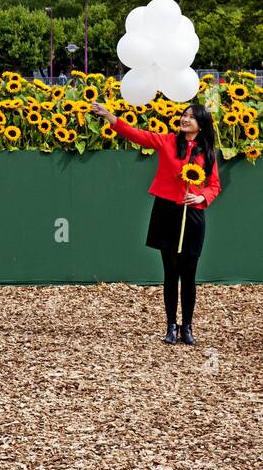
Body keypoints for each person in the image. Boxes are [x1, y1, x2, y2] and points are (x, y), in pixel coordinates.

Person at [90, 101, 222, 345]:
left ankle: (188, 327)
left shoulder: (208, 153)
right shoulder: (167, 141)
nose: (185, 119)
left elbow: (214, 185)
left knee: (189, 275)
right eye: (184, 115)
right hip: (166, 212)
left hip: (192, 216)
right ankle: (171, 326)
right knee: (170, 273)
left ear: (201, 125)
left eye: (191, 117)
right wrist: (110, 116)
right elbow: (136, 135)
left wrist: (201, 196)